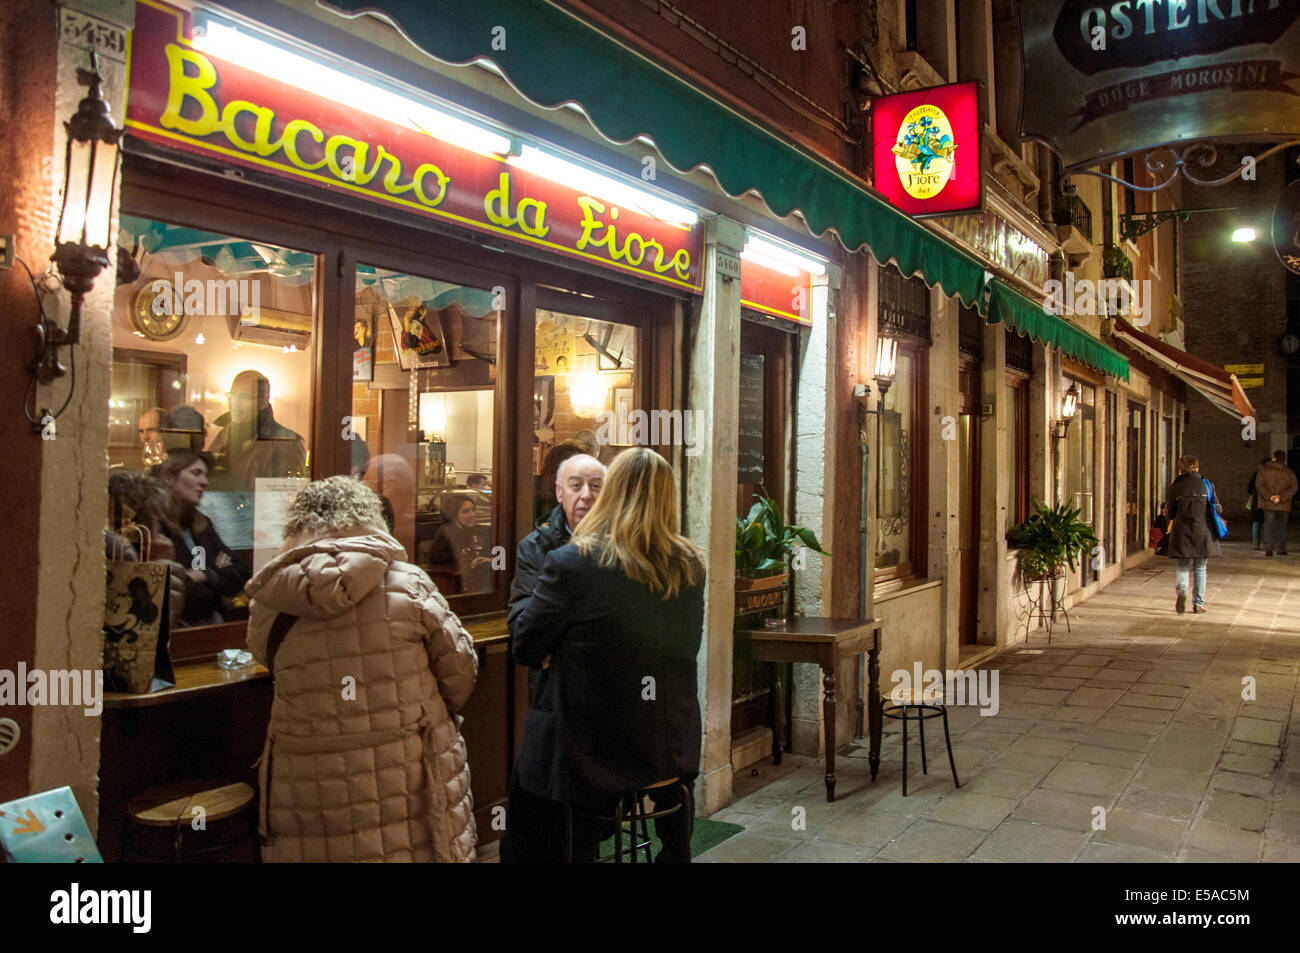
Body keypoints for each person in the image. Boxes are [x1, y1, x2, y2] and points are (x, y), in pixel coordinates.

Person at [244, 476, 478, 862]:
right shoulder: (409, 585)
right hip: (410, 769)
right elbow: (459, 671)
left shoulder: (273, 596)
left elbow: (265, 657)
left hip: (307, 777)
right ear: (368, 517)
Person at [503, 447, 705, 863]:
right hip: (666, 745)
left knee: (528, 805)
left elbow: (525, 646)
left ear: (612, 493)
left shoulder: (573, 562)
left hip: (589, 754)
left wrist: (560, 652)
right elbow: (685, 648)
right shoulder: (689, 564)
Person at [500, 452, 606, 862]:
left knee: (573, 798)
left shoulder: (619, 543)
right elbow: (522, 629)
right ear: (558, 491)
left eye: (595, 486)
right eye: (576, 485)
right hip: (551, 699)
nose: (586, 495)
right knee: (533, 788)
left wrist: (560, 645)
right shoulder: (538, 545)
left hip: (604, 701)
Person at [153, 449, 251, 626]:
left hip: (212, 626)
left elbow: (242, 570)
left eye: (205, 475)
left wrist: (206, 574)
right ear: (169, 478)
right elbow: (171, 590)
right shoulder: (154, 527)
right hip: (175, 632)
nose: (204, 482)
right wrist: (217, 573)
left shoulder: (201, 523)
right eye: (196, 473)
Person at [208, 370, 306, 488]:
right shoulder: (224, 434)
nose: (235, 403)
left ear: (264, 402)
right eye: (232, 395)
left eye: (245, 397)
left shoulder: (288, 443)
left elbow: (286, 499)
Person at [1165, 455, 1221, 614]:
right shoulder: (1207, 484)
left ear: (1181, 469)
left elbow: (1171, 510)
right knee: (1200, 567)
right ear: (1197, 467)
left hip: (1182, 529)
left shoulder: (1177, 486)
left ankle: (1182, 590)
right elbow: (1216, 507)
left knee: (1183, 564)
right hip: (1203, 529)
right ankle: (1198, 603)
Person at [429, 493, 493, 594]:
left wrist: (488, 559)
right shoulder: (447, 532)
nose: (472, 514)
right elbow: (436, 557)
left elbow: (490, 551)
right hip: (458, 581)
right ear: (454, 515)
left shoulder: (479, 530)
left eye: (473, 509)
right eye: (465, 511)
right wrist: (466, 556)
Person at [1255, 450, 1298, 557]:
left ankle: (1268, 549)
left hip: (1267, 503)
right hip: (1284, 504)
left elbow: (1259, 485)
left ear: (1274, 458)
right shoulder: (1289, 472)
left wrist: (1270, 496)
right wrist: (1281, 497)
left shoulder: (1264, 471)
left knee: (1268, 526)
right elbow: (1294, 487)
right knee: (1282, 526)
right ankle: (1281, 549)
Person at [1247, 456, 1271, 550]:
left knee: (1257, 522)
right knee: (1268, 523)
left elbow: (1249, 487)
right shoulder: (1274, 473)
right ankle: (1267, 544)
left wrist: (1254, 493)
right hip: (1271, 501)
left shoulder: (1257, 474)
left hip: (1257, 500)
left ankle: (1256, 544)